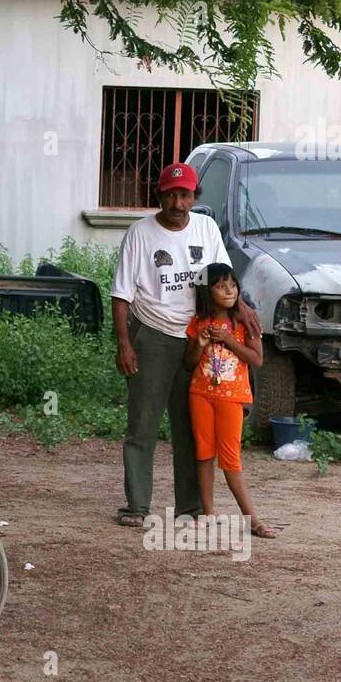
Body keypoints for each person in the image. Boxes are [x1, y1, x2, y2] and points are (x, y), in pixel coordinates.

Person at [111, 161, 261, 529]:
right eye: (172, 194)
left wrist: (243, 309)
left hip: (202, 338)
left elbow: (224, 278)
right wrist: (125, 344)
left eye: (186, 194)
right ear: (160, 196)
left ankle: (191, 508)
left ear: (195, 197)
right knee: (142, 424)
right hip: (154, 335)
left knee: (191, 427)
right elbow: (120, 295)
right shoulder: (140, 234)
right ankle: (137, 506)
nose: (179, 203)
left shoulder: (207, 227)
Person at [183, 262, 275, 538]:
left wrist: (228, 340)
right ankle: (208, 514)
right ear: (207, 291)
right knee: (203, 454)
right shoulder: (199, 322)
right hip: (200, 395)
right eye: (221, 286)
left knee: (231, 459)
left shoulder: (246, 322)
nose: (229, 291)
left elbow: (257, 360)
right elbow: (189, 364)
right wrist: (199, 343)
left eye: (232, 285)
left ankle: (254, 519)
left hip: (232, 398)